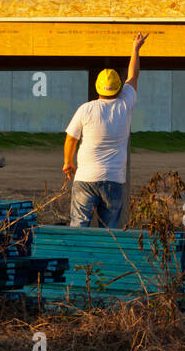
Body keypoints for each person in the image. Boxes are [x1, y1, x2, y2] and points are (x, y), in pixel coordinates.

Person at [63, 32, 147, 228]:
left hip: (85, 179)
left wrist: (68, 162)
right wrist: (135, 49)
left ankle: (78, 259)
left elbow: (71, 138)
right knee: (108, 232)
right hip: (114, 180)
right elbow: (133, 76)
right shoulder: (125, 104)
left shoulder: (86, 109)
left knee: (78, 227)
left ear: (97, 87)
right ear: (119, 88)